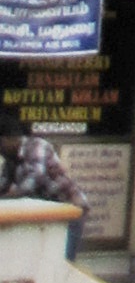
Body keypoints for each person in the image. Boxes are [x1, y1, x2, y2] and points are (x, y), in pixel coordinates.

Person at [0, 109, 86, 256]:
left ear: (6, 139)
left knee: (61, 261)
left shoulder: (36, 146)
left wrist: (10, 196)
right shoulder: (11, 160)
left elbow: (34, 179)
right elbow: (3, 185)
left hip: (69, 211)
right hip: (47, 215)